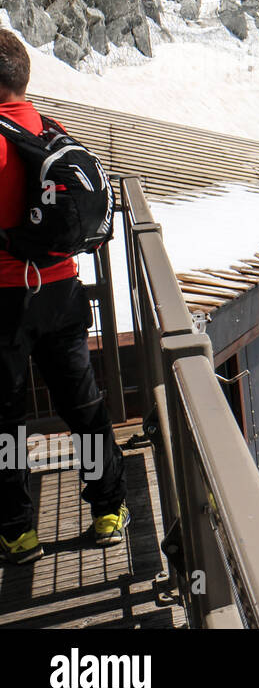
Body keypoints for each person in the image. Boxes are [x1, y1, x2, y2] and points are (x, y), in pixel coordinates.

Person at [0, 29, 127, 565]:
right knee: (83, 407)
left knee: (6, 422)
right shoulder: (50, 129)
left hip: (7, 300)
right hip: (65, 290)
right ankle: (108, 508)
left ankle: (17, 532)